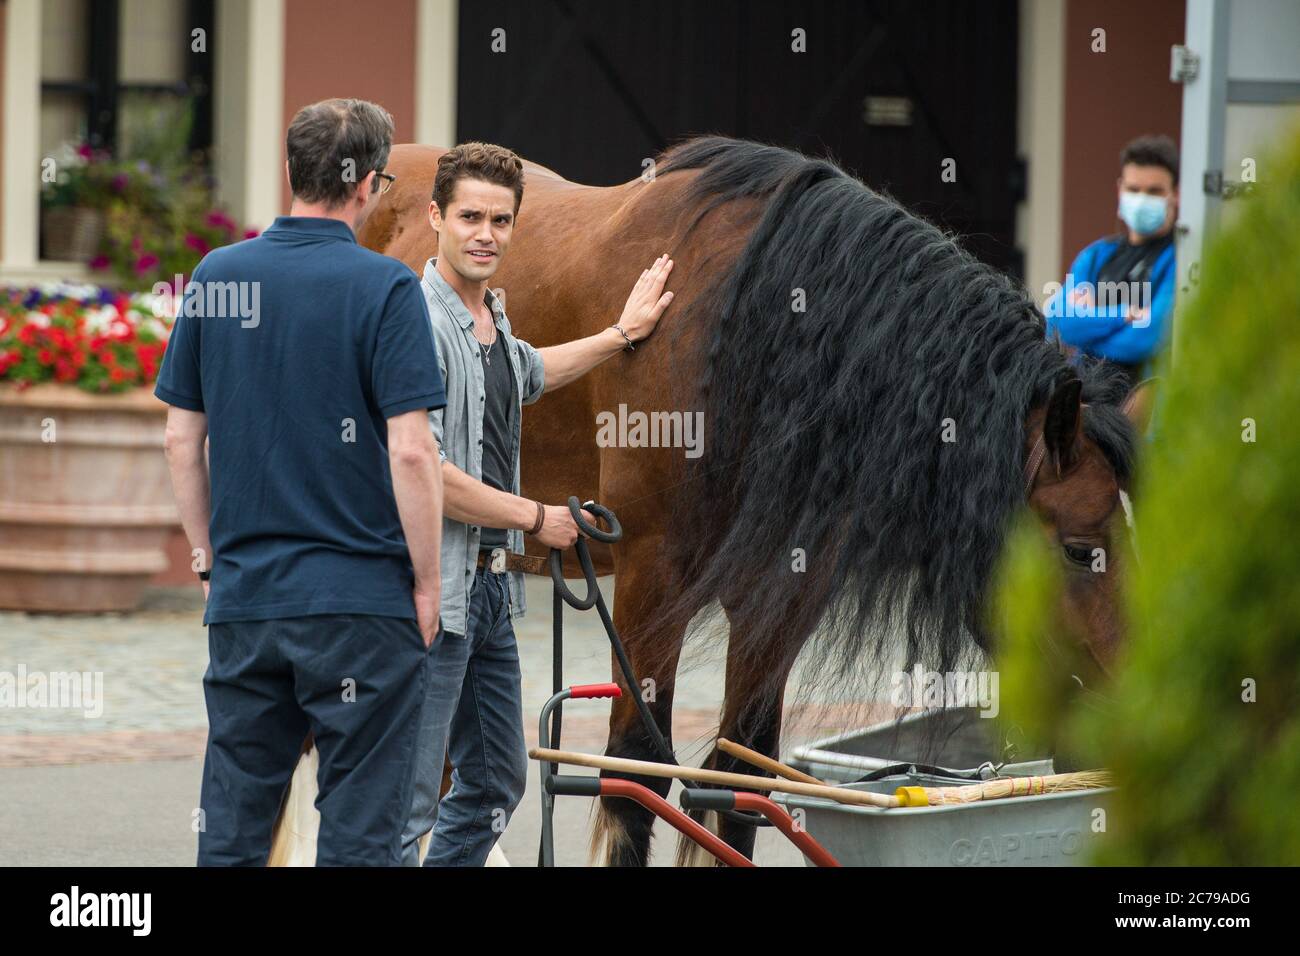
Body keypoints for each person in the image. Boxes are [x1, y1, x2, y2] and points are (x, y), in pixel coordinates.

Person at [156, 99, 447, 866]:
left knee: (232, 829)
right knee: (359, 833)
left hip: (249, 600)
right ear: (371, 186)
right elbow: (412, 453)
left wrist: (209, 559)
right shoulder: (388, 289)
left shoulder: (218, 275)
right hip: (362, 605)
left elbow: (181, 437)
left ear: (290, 172)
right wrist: (425, 583)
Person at [402, 142, 674, 866]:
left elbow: (532, 371)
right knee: (409, 799)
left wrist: (622, 335)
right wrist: (536, 518)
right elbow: (429, 469)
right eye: (469, 217)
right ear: (435, 217)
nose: (485, 233)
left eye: (500, 219)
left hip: (492, 593)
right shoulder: (417, 324)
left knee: (495, 780)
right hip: (435, 590)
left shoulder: (490, 319)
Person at [1045, 134, 1179, 384]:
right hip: (1087, 406)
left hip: (1147, 412)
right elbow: (1059, 324)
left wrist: (1091, 320)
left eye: (1154, 191)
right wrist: (1123, 315)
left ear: (1176, 194)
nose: (1141, 199)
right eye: (1134, 189)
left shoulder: (1180, 257)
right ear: (1120, 189)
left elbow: (1148, 338)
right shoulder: (1095, 255)